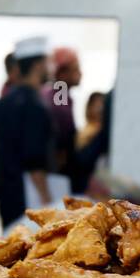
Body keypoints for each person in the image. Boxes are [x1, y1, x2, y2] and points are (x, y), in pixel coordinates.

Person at [0, 37, 52, 228]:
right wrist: (46, 199)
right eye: (46, 63)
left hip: (5, 192)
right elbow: (34, 159)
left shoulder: (0, 104)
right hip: (26, 195)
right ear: (38, 66)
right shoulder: (36, 106)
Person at [39, 46, 81, 188]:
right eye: (76, 69)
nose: (80, 73)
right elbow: (63, 131)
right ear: (62, 73)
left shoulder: (57, 91)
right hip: (56, 172)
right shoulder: (59, 92)